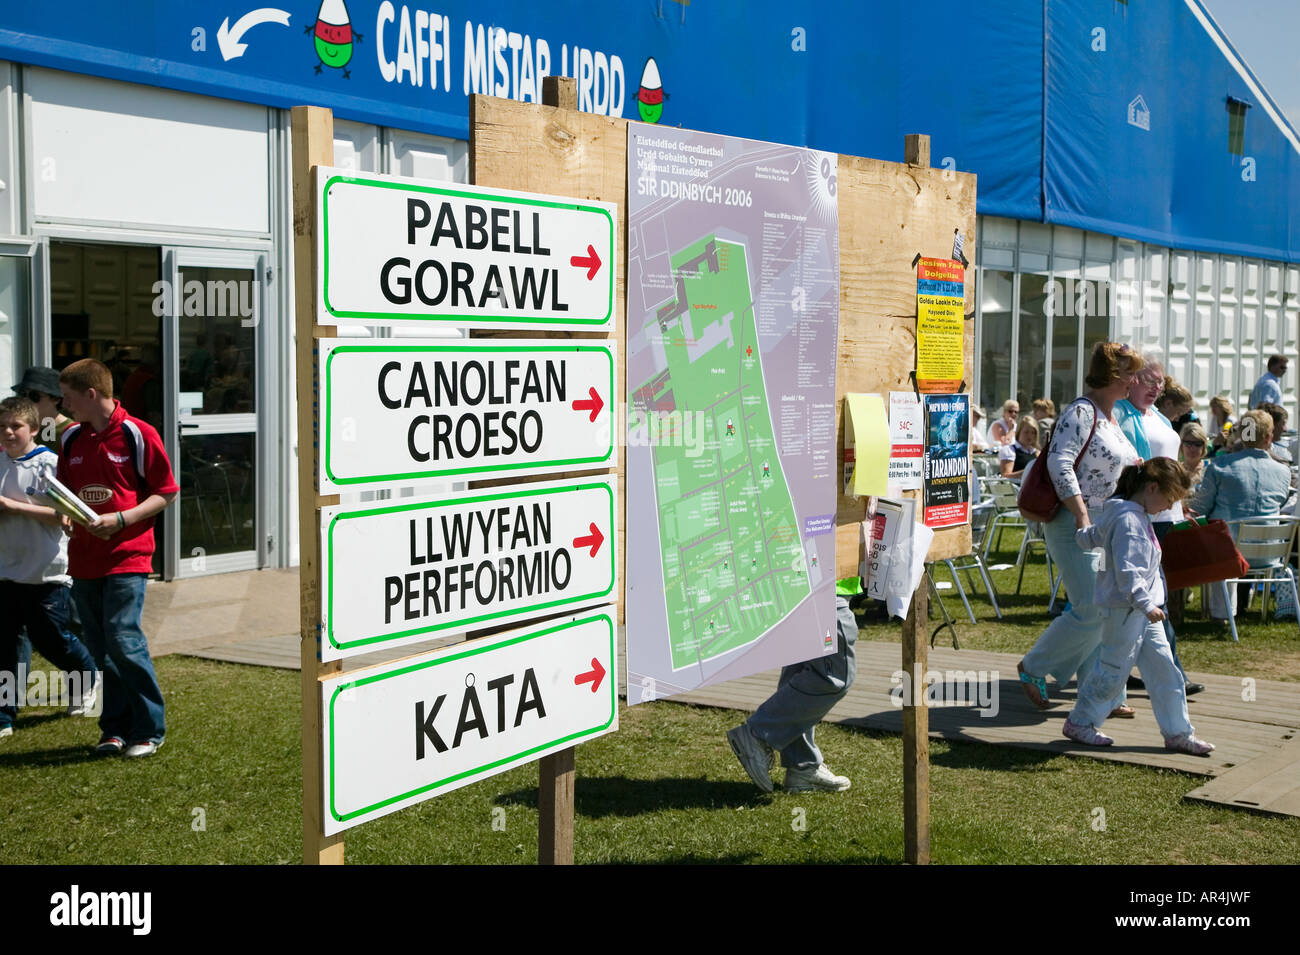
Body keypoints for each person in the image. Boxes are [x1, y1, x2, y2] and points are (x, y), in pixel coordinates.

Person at [57, 359, 178, 758]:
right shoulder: (72, 437)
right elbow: (67, 492)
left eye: (69, 397)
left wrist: (122, 518)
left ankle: (149, 729)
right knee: (99, 646)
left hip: (128, 555)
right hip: (85, 559)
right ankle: (114, 729)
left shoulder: (137, 433)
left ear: (91, 394)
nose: (64, 404)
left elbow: (166, 492)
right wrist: (63, 512)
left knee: (123, 639)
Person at [1017, 342, 1142, 710]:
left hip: (1100, 526)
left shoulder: (1112, 417)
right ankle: (1034, 666)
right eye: (1129, 372)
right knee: (1092, 606)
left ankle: (1101, 690)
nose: (1134, 379)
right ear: (1112, 375)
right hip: (1073, 523)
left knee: (1103, 606)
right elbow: (1060, 463)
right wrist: (1081, 514)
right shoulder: (1081, 412)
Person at [1061, 460, 1214, 756]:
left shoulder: (1127, 513)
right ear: (1152, 488)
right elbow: (1128, 572)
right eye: (1169, 500)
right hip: (1128, 610)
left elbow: (1093, 537)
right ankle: (1080, 721)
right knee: (1113, 669)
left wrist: (1082, 532)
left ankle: (1178, 732)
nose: (1167, 507)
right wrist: (1146, 604)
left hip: (1142, 610)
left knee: (1165, 671)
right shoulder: (1130, 521)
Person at [0, 397, 100, 740]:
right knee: (7, 645)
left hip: (46, 570)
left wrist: (13, 506)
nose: (9, 432)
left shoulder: (50, 464)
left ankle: (87, 675)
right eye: (2, 427)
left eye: (16, 426)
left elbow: (66, 515)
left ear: (32, 429)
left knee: (52, 639)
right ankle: (4, 715)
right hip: (6, 570)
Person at [728, 592, 857, 792]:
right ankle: (757, 734)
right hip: (825, 589)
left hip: (804, 589)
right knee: (834, 679)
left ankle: (802, 766)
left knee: (801, 671)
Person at [1187, 409, 1292, 623]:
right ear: (1269, 437)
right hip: (1270, 552)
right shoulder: (1283, 472)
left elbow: (1200, 509)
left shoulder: (1221, 466)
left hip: (1228, 553)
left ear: (1240, 435)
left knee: (1213, 536)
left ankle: (1220, 614)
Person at [12, 366, 74, 452]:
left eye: (34, 396)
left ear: (55, 399)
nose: (26, 401)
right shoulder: (19, 429)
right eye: (23, 395)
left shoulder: (72, 432)